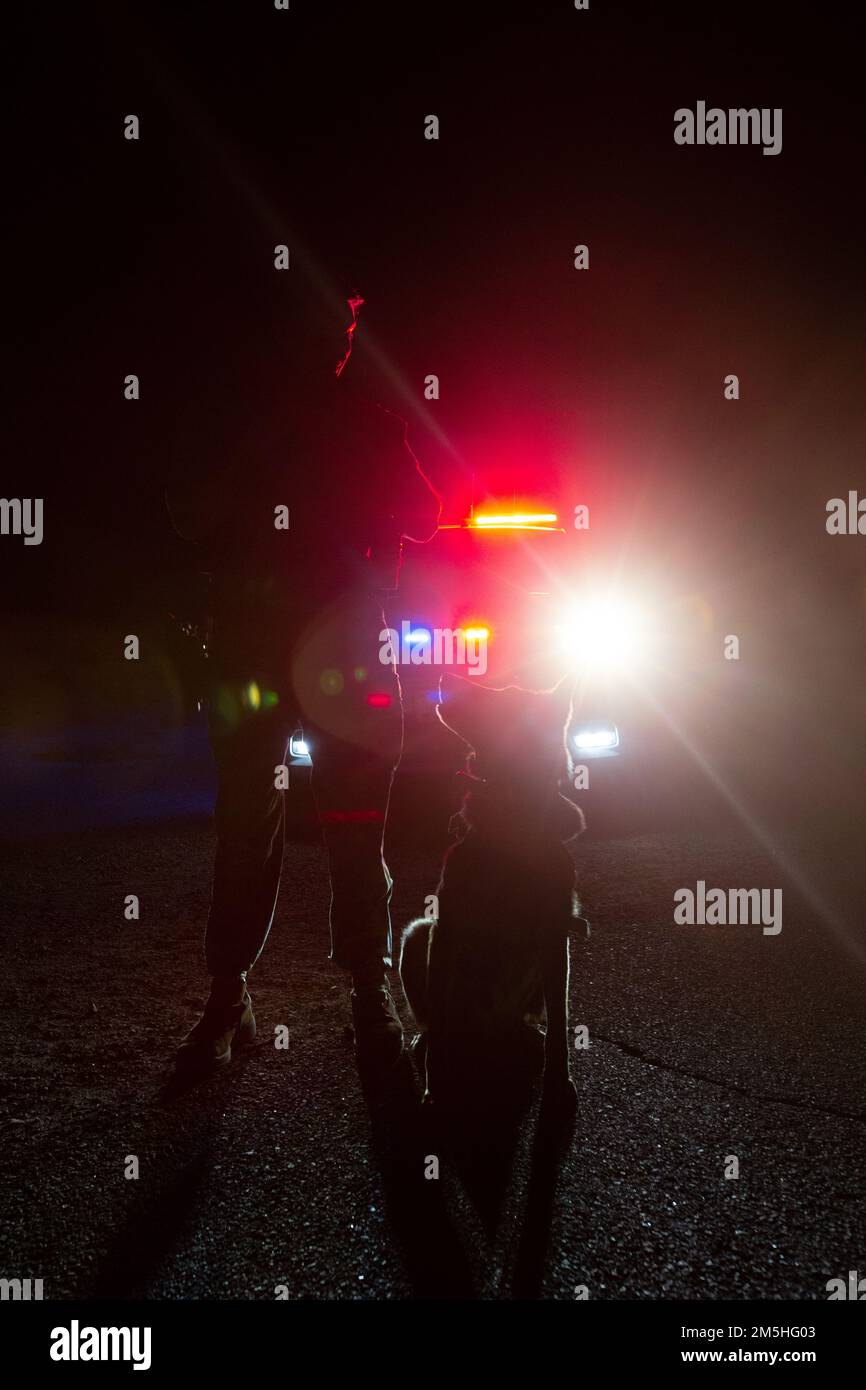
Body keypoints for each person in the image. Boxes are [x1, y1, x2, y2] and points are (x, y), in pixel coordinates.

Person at [165, 290, 440, 1075]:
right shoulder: (359, 425)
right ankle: (348, 995)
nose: (342, 344)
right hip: (325, 649)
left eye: (344, 330)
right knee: (331, 828)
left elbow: (188, 515)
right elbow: (424, 513)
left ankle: (254, 999)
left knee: (262, 828)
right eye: (336, 331)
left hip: (283, 649)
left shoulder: (253, 422)